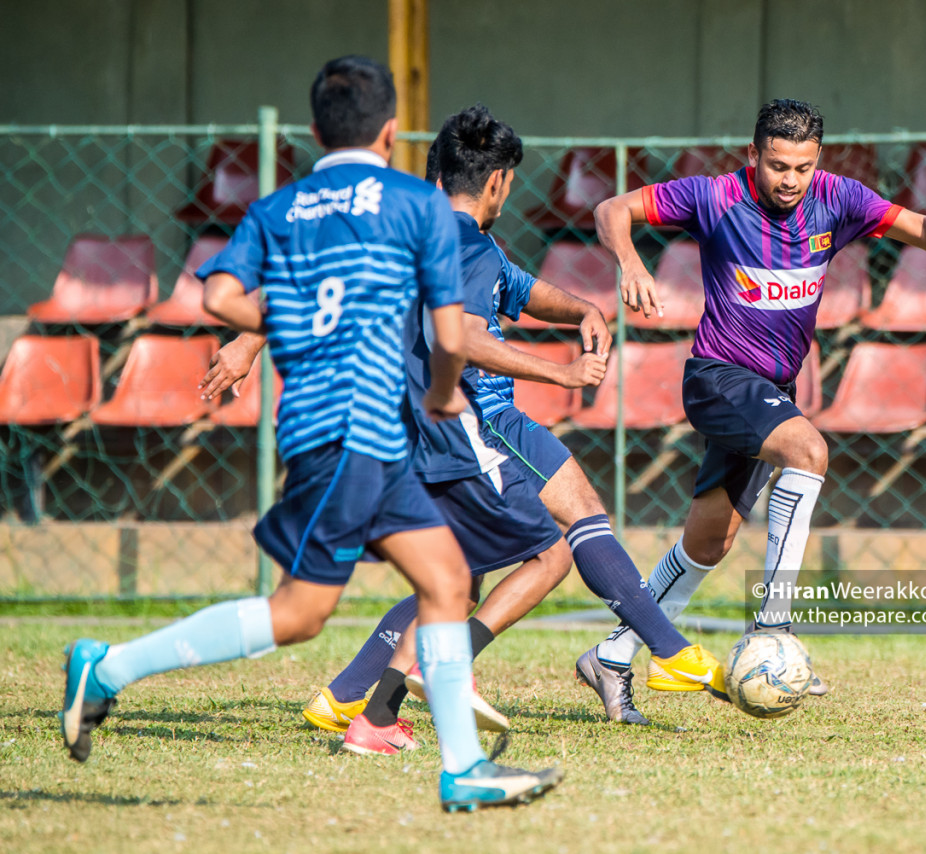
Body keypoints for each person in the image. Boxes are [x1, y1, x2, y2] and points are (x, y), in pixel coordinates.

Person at [59, 56, 561, 812]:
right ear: (391, 132)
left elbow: (219, 295)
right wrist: (437, 392)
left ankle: (462, 770)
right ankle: (105, 668)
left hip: (340, 432)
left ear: (314, 133)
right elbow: (449, 329)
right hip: (357, 433)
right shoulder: (414, 204)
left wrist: (282, 322)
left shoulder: (281, 208)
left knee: (447, 582)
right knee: (298, 614)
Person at [202, 106, 725, 732]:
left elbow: (515, 288)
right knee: (570, 527)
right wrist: (561, 373)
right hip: (478, 414)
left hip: (402, 425)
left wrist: (584, 307)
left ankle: (351, 699)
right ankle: (669, 650)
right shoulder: (468, 245)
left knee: (457, 573)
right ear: (500, 182)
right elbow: (469, 338)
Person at [587, 99, 926, 693]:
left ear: (817, 161)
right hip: (718, 378)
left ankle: (613, 655)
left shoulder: (840, 198)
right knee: (808, 450)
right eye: (778, 165)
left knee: (708, 542)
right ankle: (772, 630)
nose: (790, 180)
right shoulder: (714, 196)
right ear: (753, 155)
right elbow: (612, 208)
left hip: (771, 390)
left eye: (802, 167)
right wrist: (628, 262)